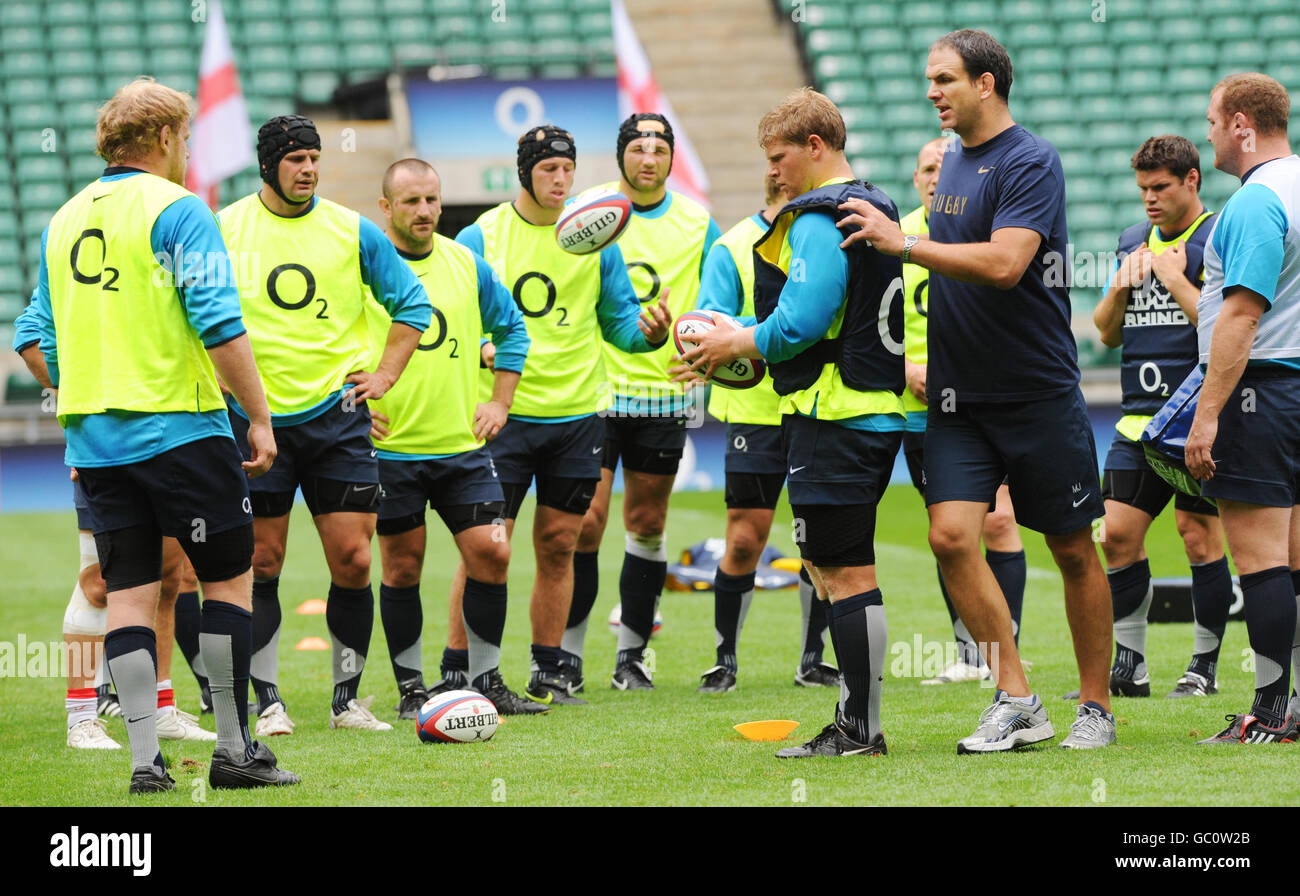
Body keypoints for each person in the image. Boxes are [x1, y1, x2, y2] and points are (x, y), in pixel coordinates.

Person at [838, 30, 1115, 750]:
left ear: (986, 84)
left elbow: (1003, 264)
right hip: (959, 400)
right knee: (950, 536)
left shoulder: (1030, 160)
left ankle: (1095, 706)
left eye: (944, 79)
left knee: (1073, 550)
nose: (932, 91)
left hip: (1037, 390)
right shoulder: (954, 156)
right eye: (930, 79)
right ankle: (1017, 695)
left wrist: (902, 243)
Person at [22, 77, 295, 791]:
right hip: (181, 432)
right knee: (228, 584)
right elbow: (219, 324)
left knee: (133, 596)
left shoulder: (63, 219)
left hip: (96, 444)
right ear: (168, 138)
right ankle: (235, 753)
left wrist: (81, 394)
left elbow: (38, 337)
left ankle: (146, 764)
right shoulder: (179, 210)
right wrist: (260, 417)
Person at [676, 87, 905, 757]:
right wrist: (746, 328)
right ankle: (855, 719)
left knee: (844, 570)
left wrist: (734, 343)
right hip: (865, 405)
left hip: (836, 410)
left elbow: (803, 323)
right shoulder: (874, 201)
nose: (773, 172)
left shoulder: (815, 215)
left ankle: (860, 728)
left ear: (815, 147)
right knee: (836, 566)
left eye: (780, 157)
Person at [218, 115, 431, 735]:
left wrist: (385, 376)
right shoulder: (224, 229)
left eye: (314, 158)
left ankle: (346, 701)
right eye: (294, 159)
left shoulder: (352, 230)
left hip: (337, 421)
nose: (308, 169)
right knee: (261, 560)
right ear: (267, 166)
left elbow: (412, 305)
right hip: (253, 420)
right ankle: (269, 703)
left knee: (354, 560)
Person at [449, 125, 671, 704]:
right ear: (525, 172)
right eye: (549, 169)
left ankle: (548, 670)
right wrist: (479, 349)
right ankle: (465, 673)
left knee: (558, 544)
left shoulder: (597, 235)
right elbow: (453, 318)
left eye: (568, 169)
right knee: (487, 546)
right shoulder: (482, 237)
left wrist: (651, 334)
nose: (561, 180)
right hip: (504, 419)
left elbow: (619, 325)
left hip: (578, 417)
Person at [364, 158, 539, 717]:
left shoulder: (467, 263)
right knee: (403, 567)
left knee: (492, 552)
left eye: (432, 200)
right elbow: (322, 339)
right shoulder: (365, 268)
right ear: (386, 208)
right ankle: (412, 689)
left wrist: (500, 400)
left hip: (463, 449)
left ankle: (487, 679)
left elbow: (512, 329)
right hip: (391, 451)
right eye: (411, 201)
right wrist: (346, 408)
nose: (425, 211)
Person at [568, 113, 721, 691]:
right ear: (620, 155)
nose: (648, 157)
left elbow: (716, 301)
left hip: (663, 392)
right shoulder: (589, 214)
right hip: (596, 388)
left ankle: (630, 657)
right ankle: (567, 657)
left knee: (648, 523)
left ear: (672, 157)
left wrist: (704, 351)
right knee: (586, 523)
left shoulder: (696, 222)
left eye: (659, 147)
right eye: (637, 146)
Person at [1091, 135, 1231, 700]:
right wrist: (1122, 286)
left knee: (1198, 537)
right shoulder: (1132, 241)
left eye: (1161, 187)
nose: (1149, 199)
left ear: (1192, 181)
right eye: (1143, 188)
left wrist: (1174, 278)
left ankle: (1203, 666)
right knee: (1117, 535)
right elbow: (1105, 332)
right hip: (1136, 424)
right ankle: (1131, 664)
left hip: (1197, 420)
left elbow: (1226, 330)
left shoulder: (1218, 237)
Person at [1186, 73, 1300, 744]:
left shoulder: (1257, 201)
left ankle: (1270, 712)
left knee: (1258, 561)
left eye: (1211, 119)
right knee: (1293, 559)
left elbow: (1241, 315)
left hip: (1262, 391)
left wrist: (1207, 417)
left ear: (1240, 125)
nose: (1207, 133)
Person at [692, 176, 837, 693]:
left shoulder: (822, 234)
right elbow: (706, 325)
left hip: (814, 405)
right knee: (744, 538)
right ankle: (725, 658)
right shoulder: (731, 246)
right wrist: (773, 326)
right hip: (754, 415)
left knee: (817, 541)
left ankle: (812, 660)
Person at [897, 136, 1028, 686]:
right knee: (948, 531)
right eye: (927, 168)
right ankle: (969, 653)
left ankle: (1004, 652)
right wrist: (903, 371)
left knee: (998, 520)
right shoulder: (892, 236)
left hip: (980, 401)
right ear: (916, 178)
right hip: (912, 406)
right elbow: (871, 323)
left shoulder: (986, 228)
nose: (935, 177)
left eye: (944, 168)